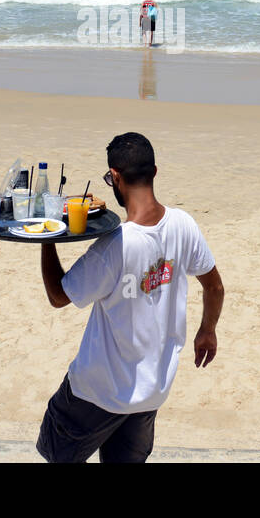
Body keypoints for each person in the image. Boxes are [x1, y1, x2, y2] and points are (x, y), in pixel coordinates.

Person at [36, 132, 223, 463]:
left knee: (56, 453)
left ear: (116, 178)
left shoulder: (112, 247)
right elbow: (214, 287)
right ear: (154, 172)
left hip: (96, 393)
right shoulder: (184, 225)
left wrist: (48, 236)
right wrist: (207, 330)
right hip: (150, 393)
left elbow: (57, 295)